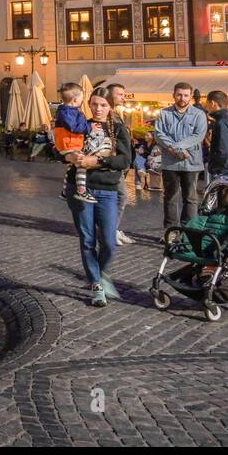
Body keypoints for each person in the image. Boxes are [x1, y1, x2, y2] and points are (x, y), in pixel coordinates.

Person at [63, 89, 132, 307]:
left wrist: (98, 162)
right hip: (82, 188)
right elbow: (60, 148)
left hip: (107, 190)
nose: (98, 109)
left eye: (103, 105)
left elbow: (125, 160)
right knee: (88, 239)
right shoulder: (80, 125)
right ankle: (96, 285)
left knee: (109, 242)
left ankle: (101, 274)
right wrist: (70, 155)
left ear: (110, 106)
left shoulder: (118, 129)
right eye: (94, 104)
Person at [153, 82, 208, 230]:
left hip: (191, 162)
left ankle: (188, 231)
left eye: (185, 95)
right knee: (170, 197)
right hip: (170, 163)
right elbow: (159, 134)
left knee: (190, 198)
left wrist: (176, 147)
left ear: (190, 96)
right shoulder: (164, 113)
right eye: (179, 94)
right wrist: (174, 149)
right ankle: (170, 231)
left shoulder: (199, 114)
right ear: (173, 95)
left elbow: (199, 136)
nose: (182, 98)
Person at [106, 83, 135, 245]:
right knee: (121, 197)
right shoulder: (109, 114)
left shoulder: (117, 113)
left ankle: (113, 229)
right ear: (110, 95)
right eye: (120, 94)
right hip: (115, 163)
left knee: (118, 197)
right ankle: (110, 230)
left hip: (121, 162)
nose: (123, 97)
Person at [53, 83, 93, 201]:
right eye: (82, 98)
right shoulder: (67, 112)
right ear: (75, 99)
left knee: (71, 168)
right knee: (81, 165)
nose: (83, 100)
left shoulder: (68, 111)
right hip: (69, 144)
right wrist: (90, 127)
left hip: (70, 143)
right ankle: (81, 191)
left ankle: (65, 192)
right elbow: (74, 127)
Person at [205, 90, 228, 181]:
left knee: (222, 195)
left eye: (207, 104)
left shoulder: (222, 122)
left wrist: (215, 169)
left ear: (213, 103)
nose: (206, 107)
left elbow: (224, 152)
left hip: (225, 172)